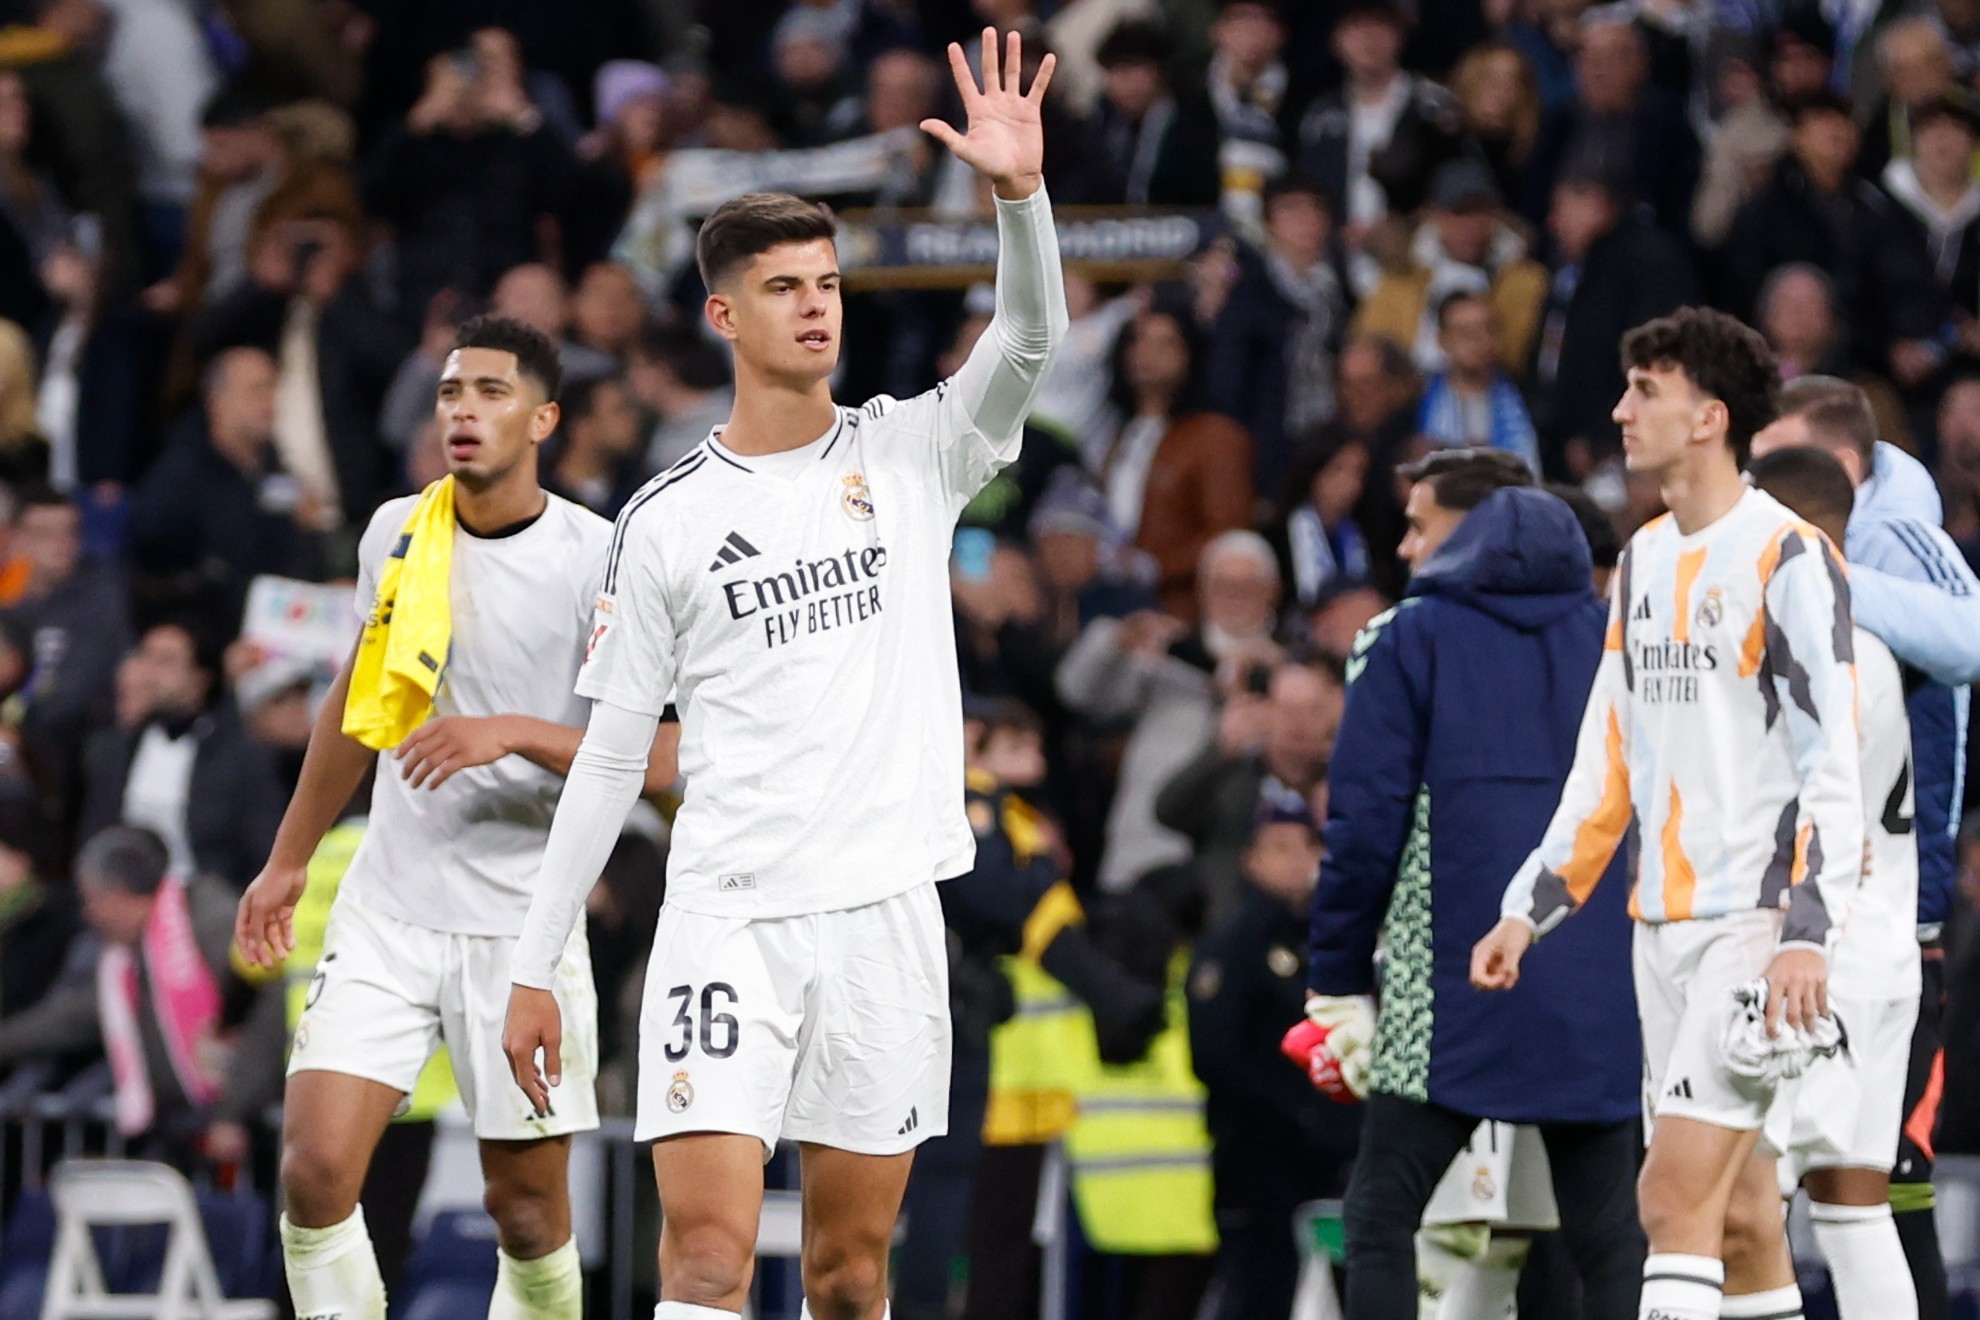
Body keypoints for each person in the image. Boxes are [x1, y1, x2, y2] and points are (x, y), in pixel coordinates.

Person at [501, 30, 1068, 1320]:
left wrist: (1019, 200)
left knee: (849, 1275)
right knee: (704, 1258)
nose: (818, 304)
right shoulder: (666, 519)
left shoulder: (918, 451)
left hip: (883, 915)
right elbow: (606, 753)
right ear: (722, 314)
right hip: (728, 916)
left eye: (828, 282)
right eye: (785, 287)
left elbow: (1031, 337)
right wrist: (540, 962)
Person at [232, 315, 677, 1320]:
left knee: (525, 1215)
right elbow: (359, 698)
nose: (464, 412)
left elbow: (666, 757)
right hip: (391, 903)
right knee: (311, 1171)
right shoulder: (398, 530)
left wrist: (511, 731)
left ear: (545, 419)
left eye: (491, 393)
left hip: (527, 925)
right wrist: (289, 858)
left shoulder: (600, 559)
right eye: (450, 393)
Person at [1473, 308, 1865, 1320]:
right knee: (1737, 1219)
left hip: (1757, 928)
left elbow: (1835, 763)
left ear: (1710, 417)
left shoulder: (1789, 558)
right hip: (1662, 930)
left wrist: (1806, 935)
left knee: (1669, 1196)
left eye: (1646, 389)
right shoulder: (1643, 561)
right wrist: (1533, 906)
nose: (1620, 410)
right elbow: (1609, 758)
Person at [1301, 448, 1643, 1319]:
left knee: (1382, 1217)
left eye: (1419, 527)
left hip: (1448, 980)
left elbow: (1363, 826)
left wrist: (1335, 979)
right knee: (1610, 1237)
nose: (1409, 548)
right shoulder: (1620, 639)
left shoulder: (1404, 636)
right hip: (1603, 981)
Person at [1751, 375, 1980, 1316]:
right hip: (1876, 926)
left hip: (1855, 924)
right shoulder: (1870, 600)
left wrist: (1815, 568)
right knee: (1859, 1202)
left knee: (1781, 1189)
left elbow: (1968, 644)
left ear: (1838, 465)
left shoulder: (1867, 574)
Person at [1747, 445, 1923, 1320]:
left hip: (1819, 965)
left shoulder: (1819, 654)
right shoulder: (1879, 649)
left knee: (1752, 1202)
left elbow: (1810, 825)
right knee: (1855, 1212)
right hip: (1886, 961)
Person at [1189, 787, 1361, 1320]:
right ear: (1251, 859)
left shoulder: (1333, 942)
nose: (1295, 861)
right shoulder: (1230, 945)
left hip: (1331, 1156)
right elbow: (1215, 1055)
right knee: (1260, 1294)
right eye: (1278, 847)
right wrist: (1301, 1110)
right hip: (1257, 1154)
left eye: (1304, 846)